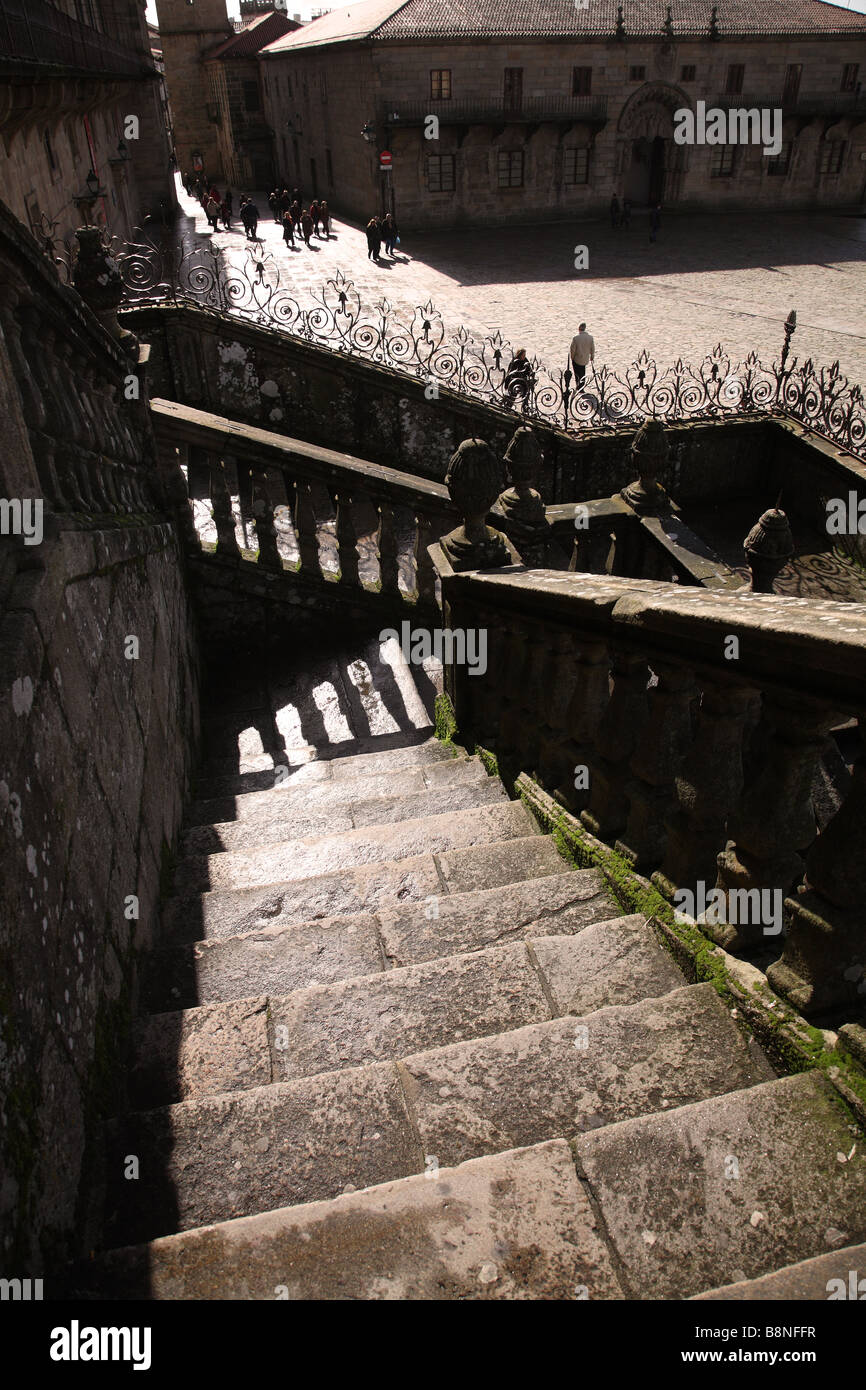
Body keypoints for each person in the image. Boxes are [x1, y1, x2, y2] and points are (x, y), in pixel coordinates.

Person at [569, 322, 595, 389]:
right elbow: (592, 348)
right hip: (585, 359)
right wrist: (592, 357)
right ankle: (582, 386)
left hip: (577, 359)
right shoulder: (590, 338)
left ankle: (578, 385)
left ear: (579, 329)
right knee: (583, 372)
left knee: (577, 373)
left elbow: (573, 349)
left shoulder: (576, 338)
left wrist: (572, 357)